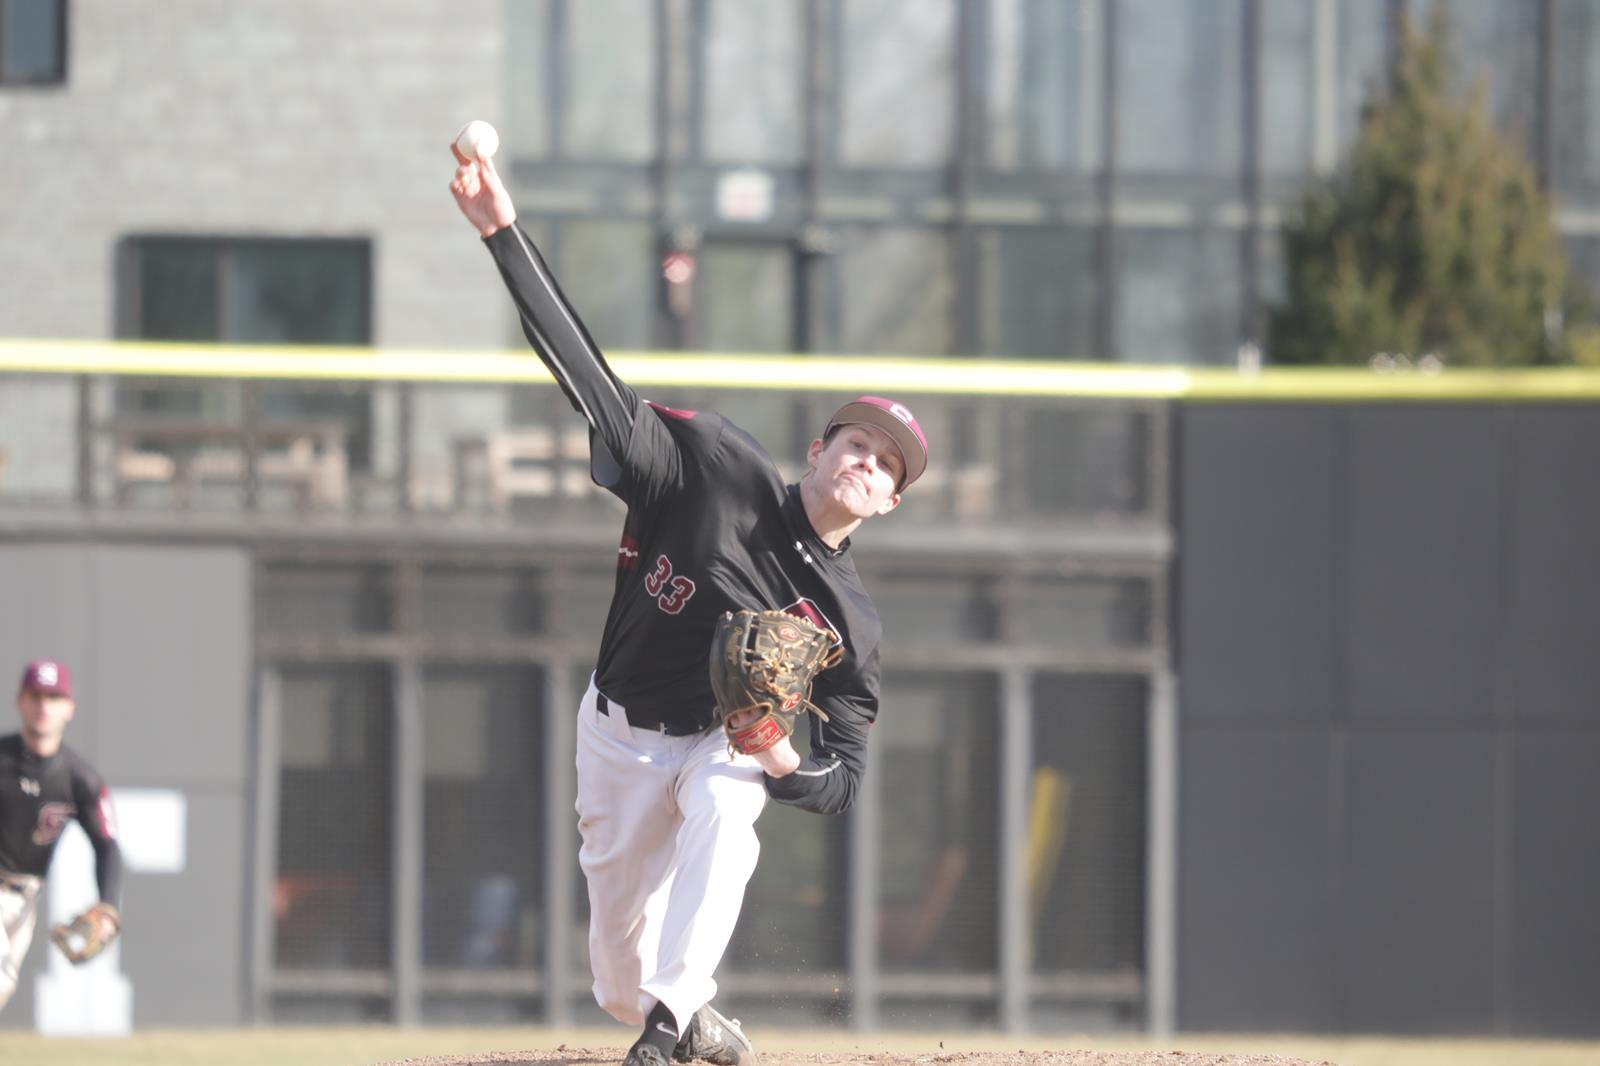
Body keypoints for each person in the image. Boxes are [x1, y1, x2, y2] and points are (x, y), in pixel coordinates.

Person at [451, 141, 929, 1066]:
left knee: (729, 808)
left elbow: (843, 782)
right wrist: (503, 232)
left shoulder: (850, 624)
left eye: (886, 465)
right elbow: (592, 384)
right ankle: (687, 1015)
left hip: (718, 741)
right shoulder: (713, 469)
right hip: (618, 736)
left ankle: (669, 1028)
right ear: (818, 450)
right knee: (614, 984)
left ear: (888, 502)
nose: (867, 463)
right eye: (856, 444)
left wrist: (779, 754)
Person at [0, 659, 123, 1010]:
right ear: (20, 702)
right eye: (35, 696)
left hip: (26, 900)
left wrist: (108, 908)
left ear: (70, 707)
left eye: (54, 698)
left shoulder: (80, 779)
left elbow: (107, 845)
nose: (43, 706)